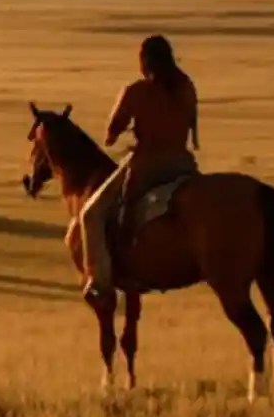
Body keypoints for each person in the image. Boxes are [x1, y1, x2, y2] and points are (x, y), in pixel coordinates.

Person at [80, 35, 199, 307]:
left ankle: (100, 283)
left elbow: (111, 134)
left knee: (91, 214)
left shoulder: (137, 91)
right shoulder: (186, 86)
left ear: (145, 62)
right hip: (183, 163)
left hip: (148, 165)